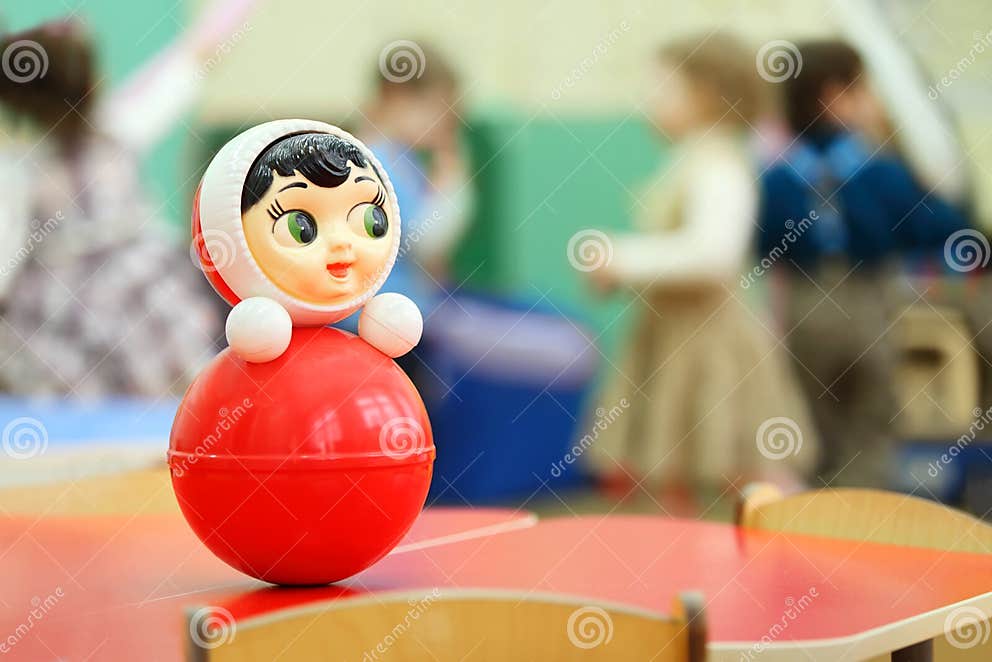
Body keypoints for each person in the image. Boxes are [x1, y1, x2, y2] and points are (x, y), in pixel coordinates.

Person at [587, 35, 817, 514]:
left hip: (709, 342)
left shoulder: (718, 165)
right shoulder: (691, 158)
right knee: (675, 467)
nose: (650, 100)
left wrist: (624, 258)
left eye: (663, 88)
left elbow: (715, 255)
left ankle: (784, 538)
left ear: (706, 95)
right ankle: (691, 549)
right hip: (673, 336)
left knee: (734, 462)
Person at [0, 5, 256, 397]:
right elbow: (196, 56)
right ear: (91, 83)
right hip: (138, 298)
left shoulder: (20, 167)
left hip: (60, 313)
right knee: (173, 388)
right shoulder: (122, 124)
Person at [757, 30, 970, 486]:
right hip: (869, 303)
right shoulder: (881, 172)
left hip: (804, 307)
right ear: (837, 97)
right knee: (872, 421)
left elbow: (762, 244)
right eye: (863, 89)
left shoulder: (776, 179)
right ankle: (864, 510)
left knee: (814, 425)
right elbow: (936, 227)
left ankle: (819, 511)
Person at [344, 43, 473, 378]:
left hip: (396, 318)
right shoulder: (374, 160)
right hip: (374, 325)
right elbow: (427, 241)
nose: (449, 124)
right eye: (440, 109)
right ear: (396, 97)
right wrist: (452, 177)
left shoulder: (403, 159)